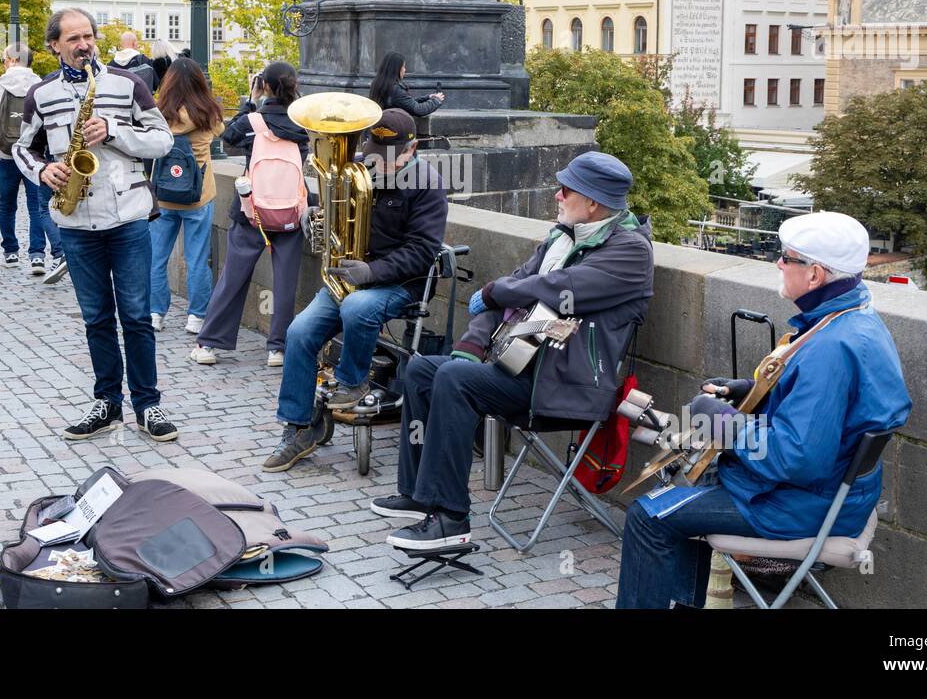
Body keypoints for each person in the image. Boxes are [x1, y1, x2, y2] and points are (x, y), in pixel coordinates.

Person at [614, 212, 913, 610]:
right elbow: (822, 417)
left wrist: (723, 421)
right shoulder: (852, 319)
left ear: (815, 275)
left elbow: (796, 458)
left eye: (786, 257)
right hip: (831, 494)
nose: (777, 263)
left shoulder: (829, 349)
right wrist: (752, 392)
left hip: (800, 504)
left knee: (648, 517)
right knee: (680, 496)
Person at [373, 152, 655, 549]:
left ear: (592, 202)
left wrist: (494, 292)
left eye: (566, 189)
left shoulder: (631, 251)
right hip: (521, 367)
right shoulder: (562, 236)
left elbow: (553, 288)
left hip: (568, 387)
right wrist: (471, 344)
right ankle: (419, 496)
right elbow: (510, 288)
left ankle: (451, 519)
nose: (557, 195)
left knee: (455, 380)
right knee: (423, 370)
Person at [14, 9, 177, 442]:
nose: (83, 44)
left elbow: (162, 139)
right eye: (73, 39)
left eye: (88, 36)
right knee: (96, 318)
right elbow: (21, 147)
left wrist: (115, 130)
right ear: (54, 45)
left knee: (137, 317)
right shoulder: (40, 93)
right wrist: (43, 171)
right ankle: (107, 403)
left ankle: (149, 405)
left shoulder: (128, 84)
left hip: (127, 219)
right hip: (75, 221)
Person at [263, 108, 449, 473]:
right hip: (351, 277)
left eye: (388, 155)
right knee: (298, 333)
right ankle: (300, 427)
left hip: (398, 284)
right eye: (373, 149)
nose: (377, 160)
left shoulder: (427, 183)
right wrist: (313, 215)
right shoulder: (361, 165)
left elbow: (423, 251)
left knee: (358, 308)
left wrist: (372, 271)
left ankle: (352, 382)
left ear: (411, 150)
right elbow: (331, 206)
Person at [191, 62, 308, 369]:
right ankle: (277, 349)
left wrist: (250, 101)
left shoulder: (253, 121)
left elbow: (227, 138)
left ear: (265, 86)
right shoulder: (302, 124)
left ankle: (209, 344)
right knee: (285, 281)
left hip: (251, 210)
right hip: (289, 212)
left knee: (233, 277)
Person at [149, 56, 223, 333]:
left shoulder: (158, 112)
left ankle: (156, 314)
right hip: (198, 196)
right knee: (197, 259)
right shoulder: (208, 112)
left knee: (157, 258)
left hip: (164, 195)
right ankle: (196, 316)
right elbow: (221, 131)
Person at [0, 43, 63, 276]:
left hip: (6, 154)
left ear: (10, 60)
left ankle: (11, 252)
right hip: (35, 156)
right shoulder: (41, 85)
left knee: (7, 204)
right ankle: (37, 255)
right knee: (36, 205)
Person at [368, 51, 445, 129]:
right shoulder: (394, 89)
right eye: (403, 67)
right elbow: (419, 110)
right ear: (397, 69)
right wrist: (436, 100)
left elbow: (404, 102)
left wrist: (428, 97)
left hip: (380, 129)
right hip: (393, 132)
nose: (405, 70)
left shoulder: (379, 83)